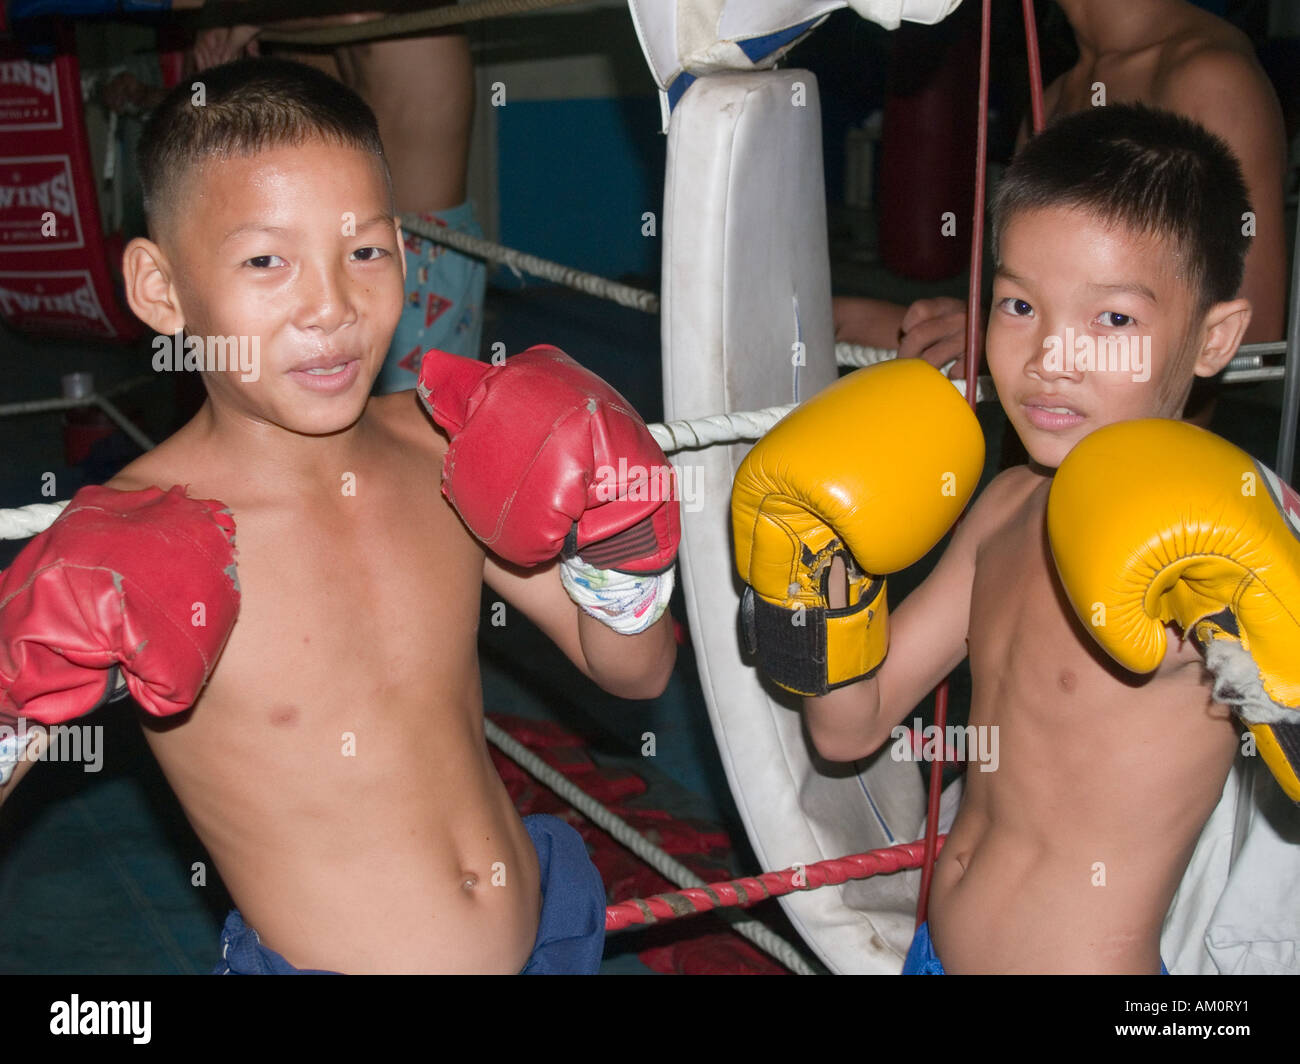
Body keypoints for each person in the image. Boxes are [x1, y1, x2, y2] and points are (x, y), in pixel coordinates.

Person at [0, 58, 678, 974]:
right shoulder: (119, 552)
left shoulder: (448, 447)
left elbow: (632, 672)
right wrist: (13, 687)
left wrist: (625, 541)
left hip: (549, 934)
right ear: (162, 290)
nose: (331, 306)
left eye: (364, 250)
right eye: (266, 260)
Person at [734, 102, 1293, 973]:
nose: (1050, 357)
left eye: (1112, 320)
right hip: (935, 954)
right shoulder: (1002, 507)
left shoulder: (1218, 539)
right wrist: (813, 584)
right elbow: (851, 728)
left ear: (1215, 337)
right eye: (1019, 304)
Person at [834, 0, 1287, 385]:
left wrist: (1014, 339)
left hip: (1135, 472)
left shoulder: (1209, 77)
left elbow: (1256, 341)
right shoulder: (1052, 97)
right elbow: (1047, 308)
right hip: (1037, 468)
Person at [184, 1, 486, 392]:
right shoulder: (302, 24)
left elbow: (359, 16)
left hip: (423, 246)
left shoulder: (378, 15)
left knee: (425, 421)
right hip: (333, 243)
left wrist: (245, 17)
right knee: (328, 412)